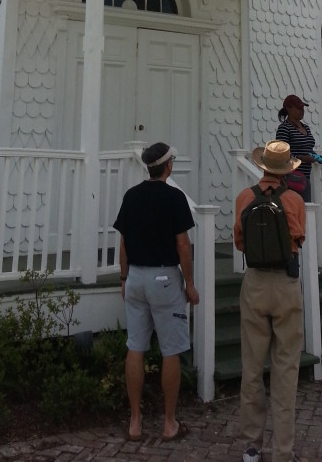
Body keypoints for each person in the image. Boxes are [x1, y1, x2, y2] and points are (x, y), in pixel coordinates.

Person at [113, 142, 200, 443]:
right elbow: (183, 245)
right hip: (164, 278)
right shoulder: (174, 198)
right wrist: (189, 283)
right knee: (171, 349)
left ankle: (135, 422)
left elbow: (123, 243)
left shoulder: (131, 196)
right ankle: (169, 423)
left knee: (135, 346)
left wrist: (124, 277)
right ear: (168, 166)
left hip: (135, 275)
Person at [234, 140, 306, 462]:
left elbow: (239, 242)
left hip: (255, 283)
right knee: (285, 370)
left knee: (251, 368)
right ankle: (282, 452)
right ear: (286, 169)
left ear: (262, 166)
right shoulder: (294, 200)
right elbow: (298, 238)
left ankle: (251, 448)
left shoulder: (244, 198)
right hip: (285, 285)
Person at [276, 93, 316, 202]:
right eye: (298, 108)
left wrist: (316, 157)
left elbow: (308, 148)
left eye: (303, 108)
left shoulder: (306, 127)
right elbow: (281, 154)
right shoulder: (284, 128)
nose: (302, 110)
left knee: (305, 211)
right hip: (291, 178)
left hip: (305, 177)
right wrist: (301, 158)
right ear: (288, 109)